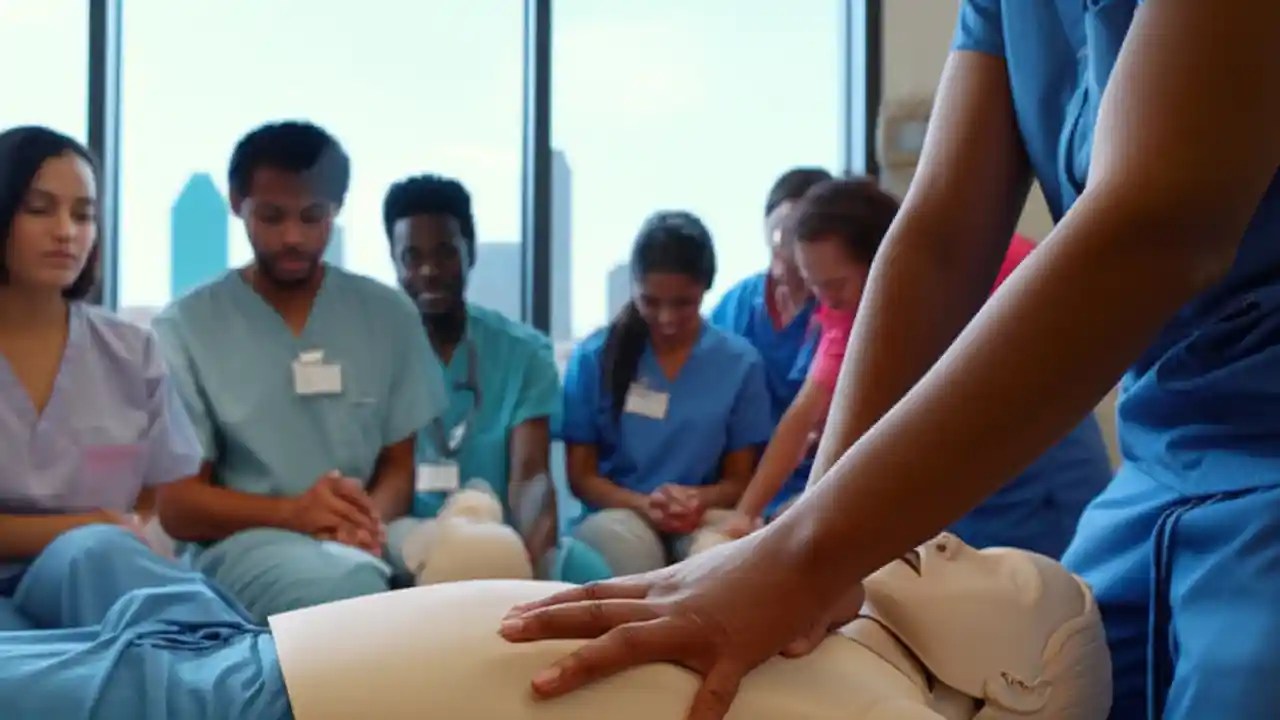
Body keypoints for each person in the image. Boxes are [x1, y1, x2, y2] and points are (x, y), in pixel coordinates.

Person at [497, 3, 1280, 719]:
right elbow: (937, 239)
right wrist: (820, 557)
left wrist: (805, 553)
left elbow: (1163, 218)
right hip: (1163, 460)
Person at [1, 531, 1109, 720]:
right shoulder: (806, 625)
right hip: (243, 659)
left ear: (1014, 686)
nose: (952, 543)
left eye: (995, 571)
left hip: (245, 700)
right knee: (87, 560)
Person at [723, 180, 1112, 561]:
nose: (826, 300)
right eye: (814, 286)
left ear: (881, 259)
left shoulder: (984, 267)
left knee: (1063, 586)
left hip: (1038, 440)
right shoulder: (847, 307)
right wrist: (746, 515)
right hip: (959, 467)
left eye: (835, 284)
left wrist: (808, 514)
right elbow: (809, 410)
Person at [152, 121, 447, 622]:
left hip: (372, 526)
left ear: (338, 208)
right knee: (344, 586)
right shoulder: (186, 328)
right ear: (236, 203)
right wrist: (297, 514)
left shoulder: (387, 315)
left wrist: (362, 523)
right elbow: (180, 506)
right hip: (249, 541)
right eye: (271, 217)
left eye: (313, 217)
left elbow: (399, 467)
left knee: (480, 562)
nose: (293, 237)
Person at [0, 125, 204, 632]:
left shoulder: (129, 352)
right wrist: (86, 526)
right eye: (39, 209)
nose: (67, 231)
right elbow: (106, 528)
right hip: (74, 566)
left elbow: (155, 490)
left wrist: (99, 534)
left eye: (84, 214)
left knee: (110, 580)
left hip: (99, 576)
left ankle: (265, 672)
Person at [560, 211, 773, 577]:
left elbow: (740, 479)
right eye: (651, 301)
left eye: (683, 303)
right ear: (634, 286)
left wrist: (697, 500)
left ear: (706, 289)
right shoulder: (595, 357)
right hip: (619, 515)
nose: (667, 318)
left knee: (722, 557)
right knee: (630, 555)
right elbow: (582, 477)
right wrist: (643, 504)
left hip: (700, 514)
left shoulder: (739, 364)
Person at [382, 174, 562, 575]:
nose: (429, 269)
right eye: (412, 256)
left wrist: (537, 560)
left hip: (501, 532)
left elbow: (531, 475)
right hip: (406, 534)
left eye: (445, 252)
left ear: (471, 253)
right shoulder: (375, 352)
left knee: (592, 570)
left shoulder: (523, 354)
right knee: (456, 555)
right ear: (395, 263)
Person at [707, 167, 828, 520]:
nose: (781, 264)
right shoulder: (736, 308)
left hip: (820, 489)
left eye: (791, 242)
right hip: (740, 488)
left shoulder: (844, 312)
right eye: (774, 244)